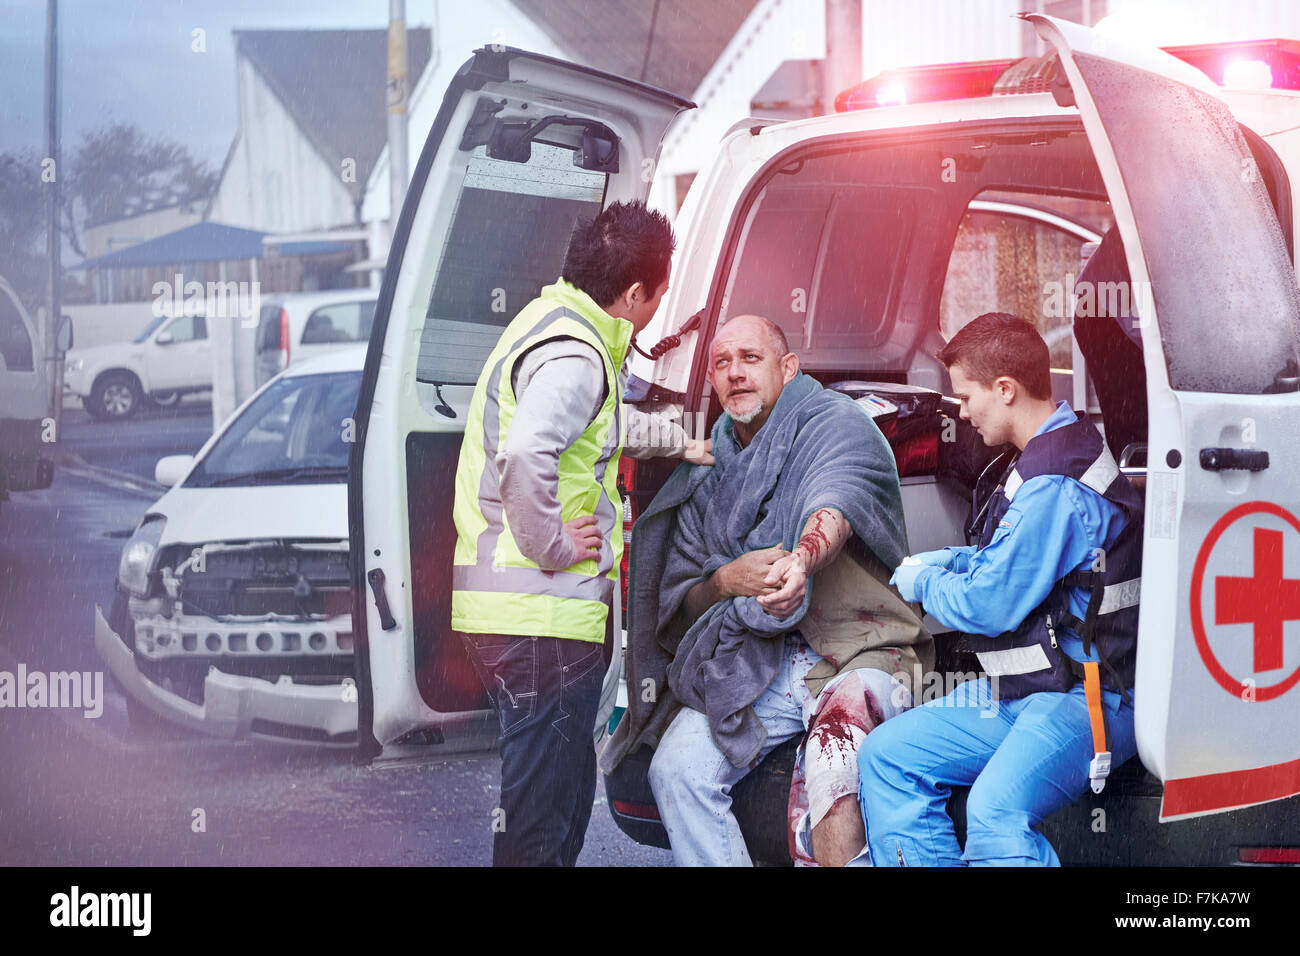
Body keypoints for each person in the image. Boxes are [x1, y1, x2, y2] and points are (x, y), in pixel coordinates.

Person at [601, 313, 933, 867]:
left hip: (860, 648)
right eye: (721, 363)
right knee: (676, 771)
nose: (734, 374)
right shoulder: (709, 468)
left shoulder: (837, 424)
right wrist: (725, 582)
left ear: (788, 367)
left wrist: (802, 559)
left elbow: (837, 496)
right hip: (755, 658)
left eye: (750, 359)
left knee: (833, 767)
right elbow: (683, 600)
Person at [450, 200, 711, 867]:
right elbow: (528, 451)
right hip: (537, 616)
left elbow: (594, 429)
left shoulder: (558, 324)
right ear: (632, 293)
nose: (656, 309)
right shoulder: (576, 353)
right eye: (656, 296)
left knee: (556, 801)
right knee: (543, 817)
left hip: (527, 617)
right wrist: (557, 547)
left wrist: (677, 440)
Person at [858, 312, 1144, 866]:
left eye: (966, 397)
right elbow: (1011, 559)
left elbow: (990, 604)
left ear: (1005, 390)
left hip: (1089, 700)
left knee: (994, 811)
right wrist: (954, 559)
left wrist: (927, 581)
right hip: (1029, 688)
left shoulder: (1056, 484)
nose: (960, 413)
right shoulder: (1049, 451)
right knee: (888, 756)